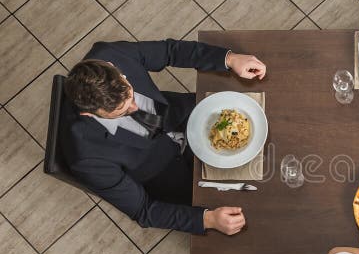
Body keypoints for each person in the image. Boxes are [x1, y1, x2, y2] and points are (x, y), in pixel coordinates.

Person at [62, 39, 266, 236]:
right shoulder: (86, 158)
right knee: (257, 208)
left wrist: (228, 59)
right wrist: (208, 219)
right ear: (88, 114)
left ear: (112, 66)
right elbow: (143, 210)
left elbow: (171, 51)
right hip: (172, 176)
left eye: (130, 95)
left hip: (185, 114)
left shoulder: (110, 53)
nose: (134, 107)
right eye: (121, 112)